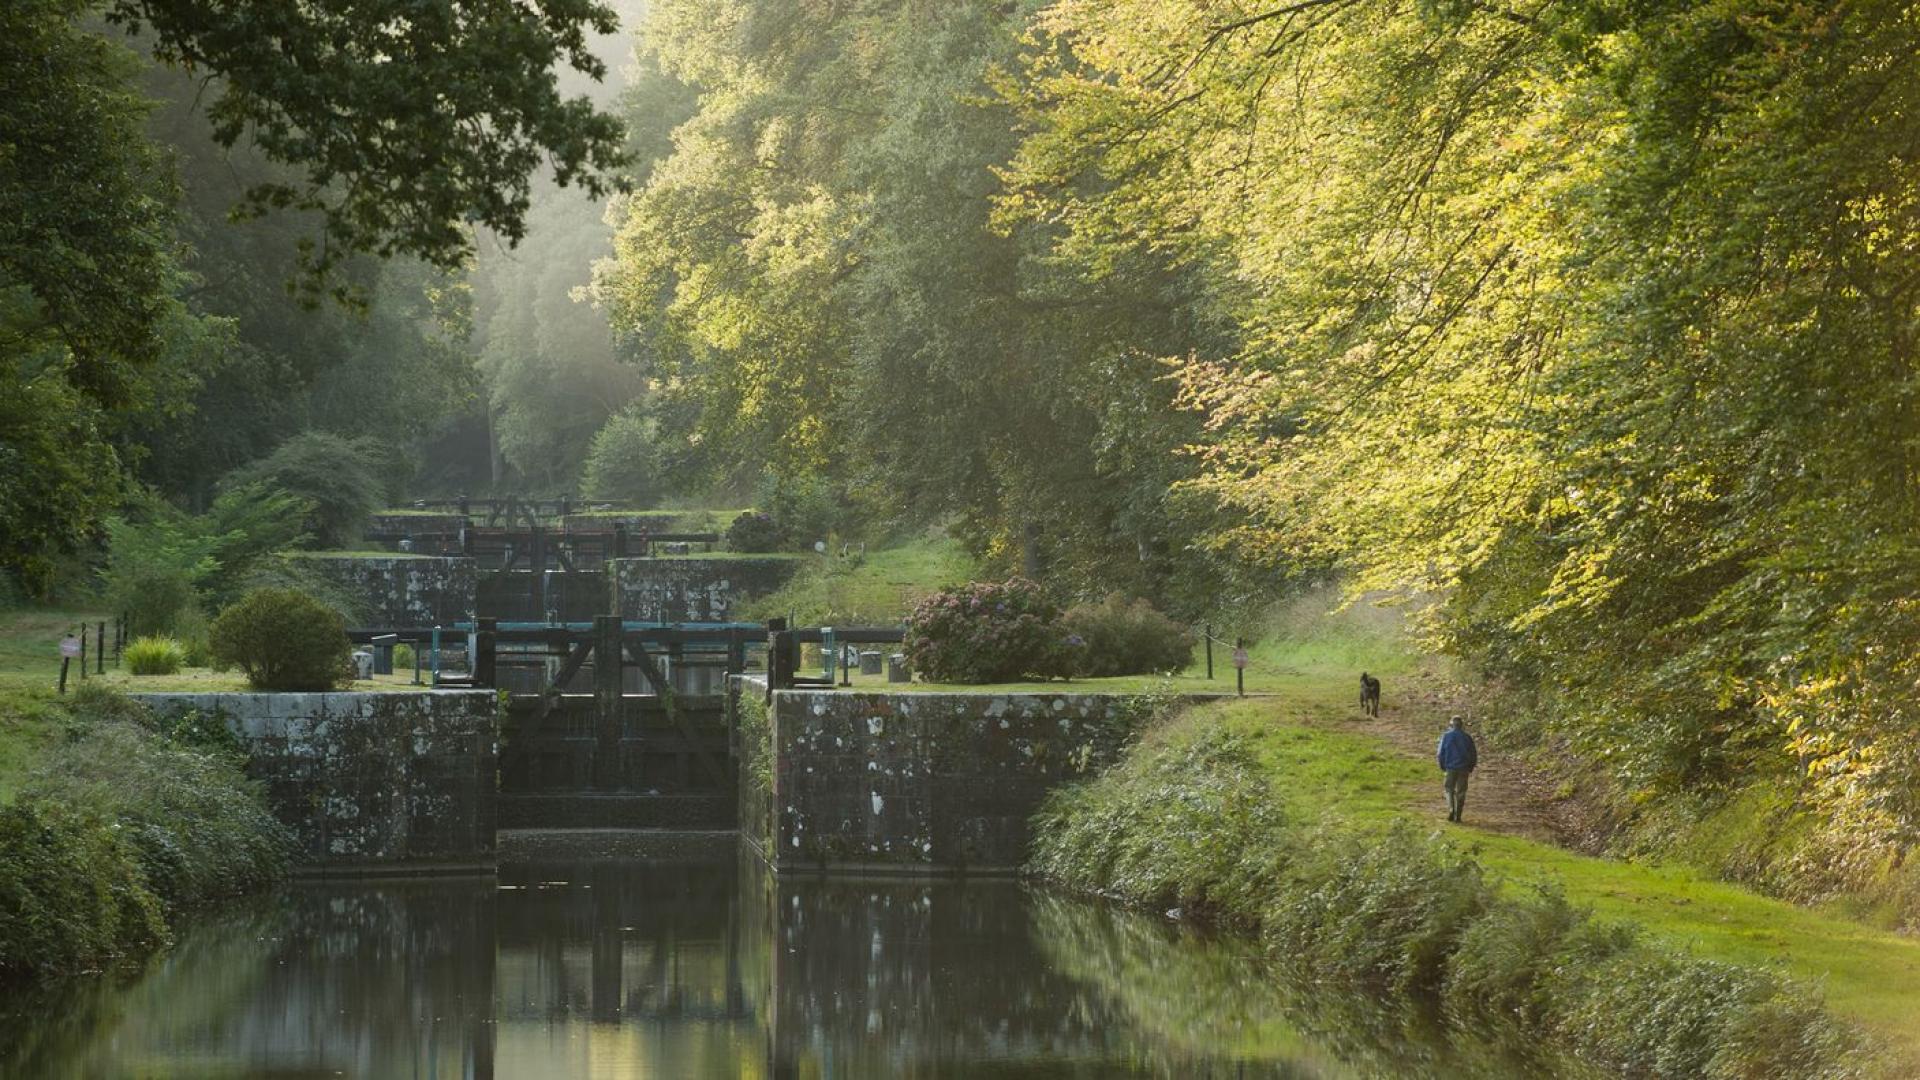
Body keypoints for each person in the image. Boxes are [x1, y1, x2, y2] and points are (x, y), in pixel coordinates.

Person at [1436, 716, 1477, 823]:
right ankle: (1458, 815)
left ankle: (1451, 809)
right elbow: (1473, 754)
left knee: (1449, 789)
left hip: (1450, 767)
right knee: (1461, 792)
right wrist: (1471, 767)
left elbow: (1440, 754)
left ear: (1451, 725)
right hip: (1464, 768)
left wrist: (1442, 766)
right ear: (1461, 725)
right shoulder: (1467, 737)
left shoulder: (1446, 736)